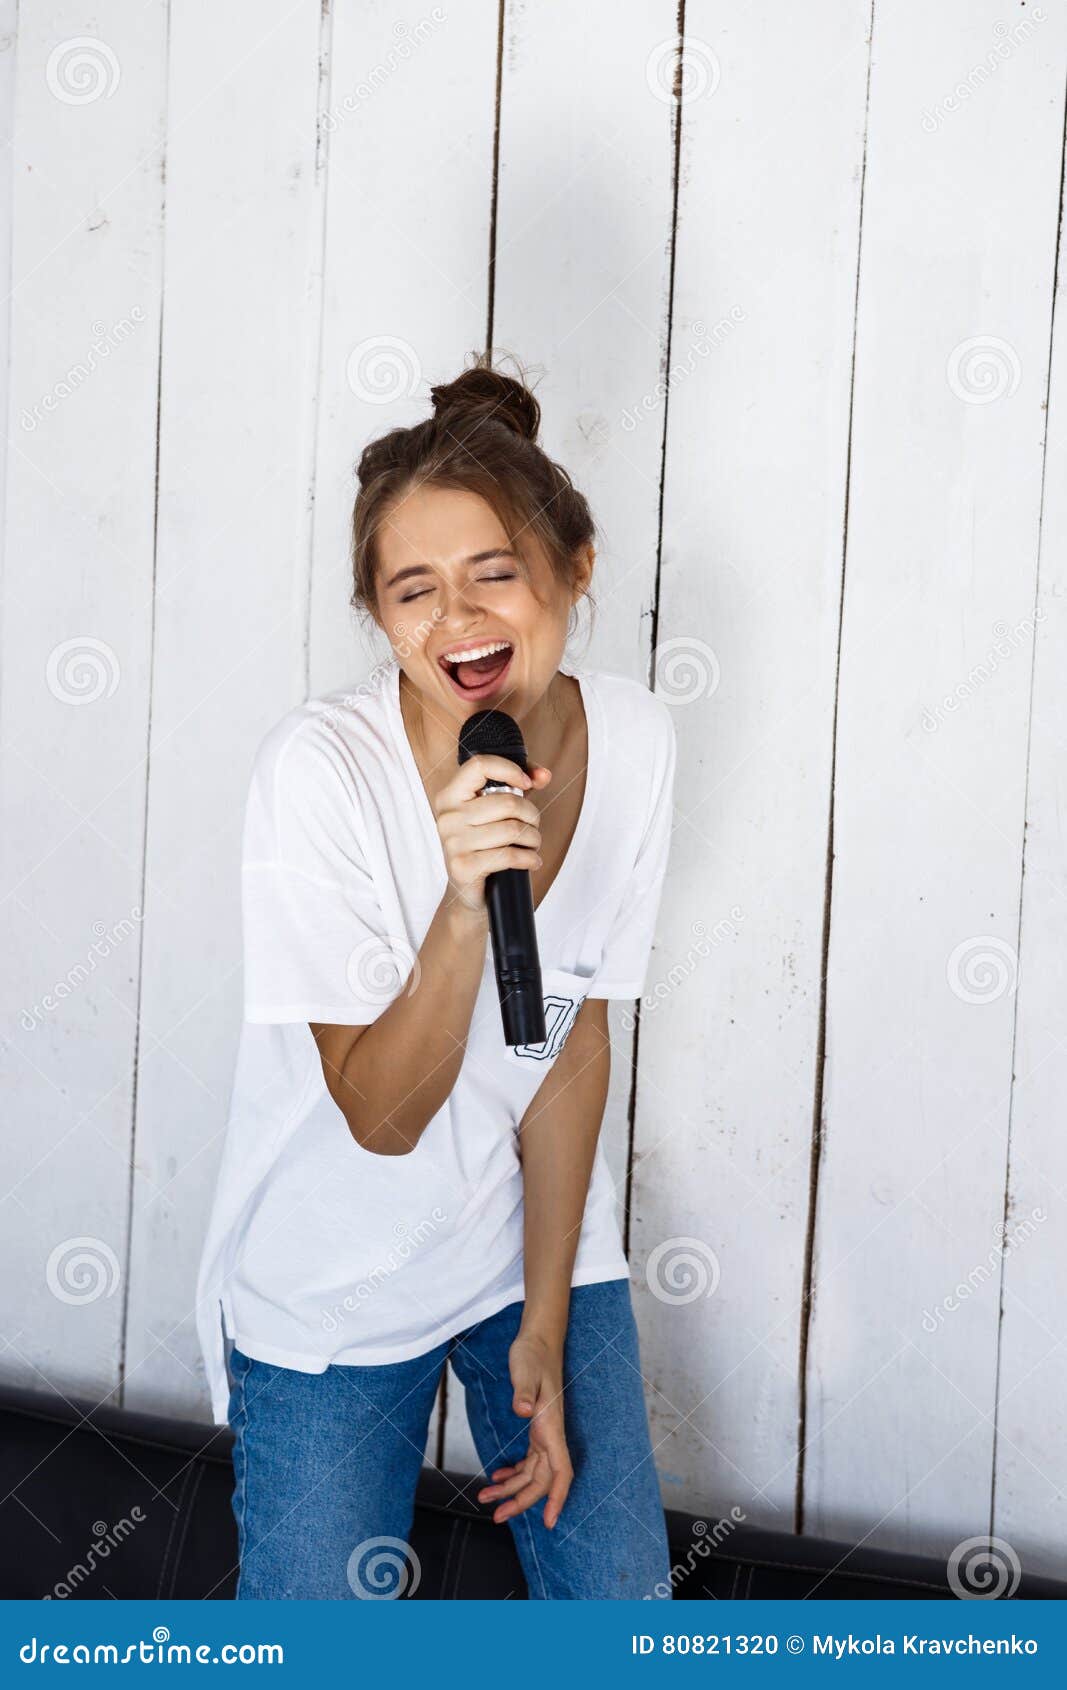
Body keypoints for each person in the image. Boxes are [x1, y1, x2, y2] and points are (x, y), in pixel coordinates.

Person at [194, 356, 678, 1600]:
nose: (455, 621)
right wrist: (462, 906)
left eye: (494, 573)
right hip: (334, 1276)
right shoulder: (320, 773)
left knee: (621, 1625)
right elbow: (382, 1114)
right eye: (413, 590)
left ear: (575, 565)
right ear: (378, 616)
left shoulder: (632, 740)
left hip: (529, 1233)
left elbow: (569, 1043)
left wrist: (547, 1318)